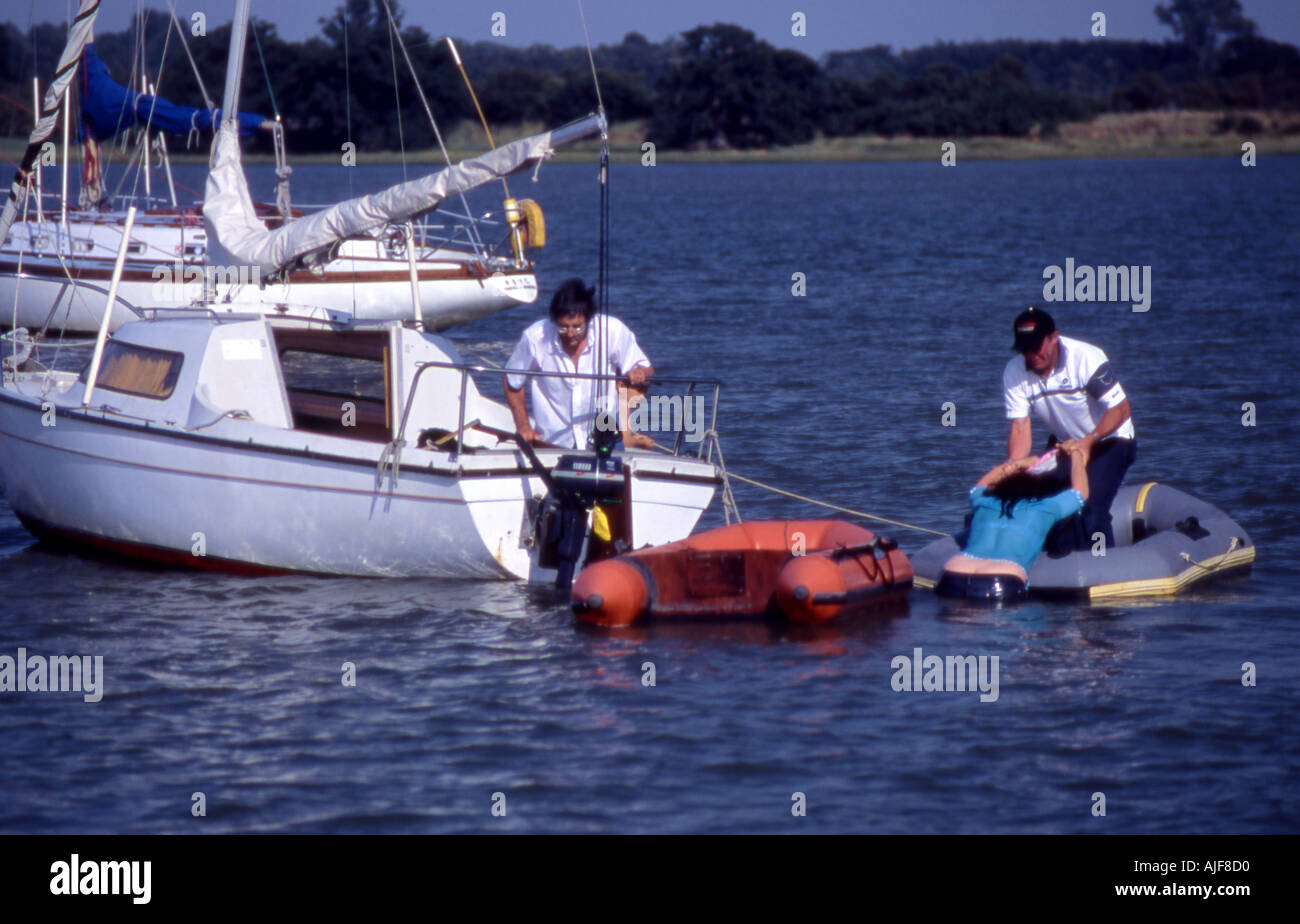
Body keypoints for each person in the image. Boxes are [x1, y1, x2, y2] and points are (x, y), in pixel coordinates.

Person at [1003, 307, 1136, 555]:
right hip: (1066, 445)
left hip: (1111, 440)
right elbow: (1020, 427)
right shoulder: (1014, 371)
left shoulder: (1085, 357)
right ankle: (1058, 572)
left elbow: (1121, 410)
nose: (1031, 355)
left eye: (1037, 346)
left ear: (1054, 337)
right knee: (1044, 505)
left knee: (1090, 507)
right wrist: (1014, 466)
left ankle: (1103, 565)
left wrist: (1089, 441)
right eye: (1024, 348)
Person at [504, 278, 654, 450]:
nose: (569, 334)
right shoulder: (535, 337)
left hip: (605, 439)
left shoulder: (612, 330)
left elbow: (646, 368)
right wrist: (523, 426)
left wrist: (639, 373)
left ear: (589, 320)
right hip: (551, 444)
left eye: (577, 327)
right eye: (562, 327)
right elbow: (511, 379)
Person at [938, 446, 1089, 600]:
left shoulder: (983, 501)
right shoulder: (1045, 508)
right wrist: (1076, 453)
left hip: (953, 572)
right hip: (1002, 579)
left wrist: (1018, 464)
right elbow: (1080, 493)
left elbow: (979, 486)